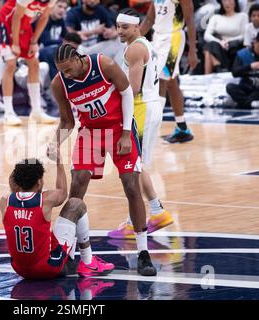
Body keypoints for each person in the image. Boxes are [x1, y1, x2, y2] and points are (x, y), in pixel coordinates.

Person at [48, 44, 157, 276]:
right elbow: (67, 121)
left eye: (68, 69)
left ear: (79, 58)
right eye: (61, 71)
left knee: (131, 185)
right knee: (77, 186)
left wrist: (127, 133)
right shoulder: (60, 83)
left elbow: (127, 93)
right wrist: (54, 142)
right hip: (90, 132)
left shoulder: (103, 64)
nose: (66, 75)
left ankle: (143, 253)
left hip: (119, 128)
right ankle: (75, 254)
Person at [108, 9, 173, 240]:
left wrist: (108, 93)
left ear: (136, 27)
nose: (119, 31)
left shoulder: (136, 48)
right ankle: (152, 213)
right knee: (136, 165)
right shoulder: (143, 43)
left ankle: (148, 215)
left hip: (142, 108)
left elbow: (132, 88)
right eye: (117, 26)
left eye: (124, 27)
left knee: (133, 167)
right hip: (147, 105)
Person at [0, 152, 115, 279]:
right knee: (76, 204)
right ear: (39, 182)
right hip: (46, 268)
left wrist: (20, 170)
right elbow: (63, 192)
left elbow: (14, 186)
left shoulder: (5, 201)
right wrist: (59, 163)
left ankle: (71, 260)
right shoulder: (45, 200)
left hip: (20, 269)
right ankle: (88, 262)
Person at [140, 0, 199, 143]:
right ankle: (182, 128)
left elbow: (190, 21)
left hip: (173, 38)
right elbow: (149, 20)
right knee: (171, 82)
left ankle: (151, 130)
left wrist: (192, 50)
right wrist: (133, 39)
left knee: (161, 80)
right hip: (158, 39)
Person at [0, 0, 58, 126]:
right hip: (8, 23)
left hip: (25, 24)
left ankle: (36, 111)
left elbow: (44, 17)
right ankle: (8, 113)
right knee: (11, 64)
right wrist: (15, 43)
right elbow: (16, 17)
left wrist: (34, 41)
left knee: (34, 64)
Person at [226, 29, 259, 110]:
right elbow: (234, 72)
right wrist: (250, 66)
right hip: (246, 87)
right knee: (230, 87)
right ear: (255, 42)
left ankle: (242, 102)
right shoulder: (242, 54)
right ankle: (252, 103)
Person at [203, 0, 248, 73]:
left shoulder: (242, 16)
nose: (227, 3)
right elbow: (206, 35)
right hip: (219, 46)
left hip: (235, 46)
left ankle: (218, 65)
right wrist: (220, 42)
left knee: (209, 48)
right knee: (209, 46)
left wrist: (229, 41)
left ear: (235, 2)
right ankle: (211, 71)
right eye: (224, 1)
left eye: (230, 0)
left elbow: (244, 35)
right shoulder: (216, 17)